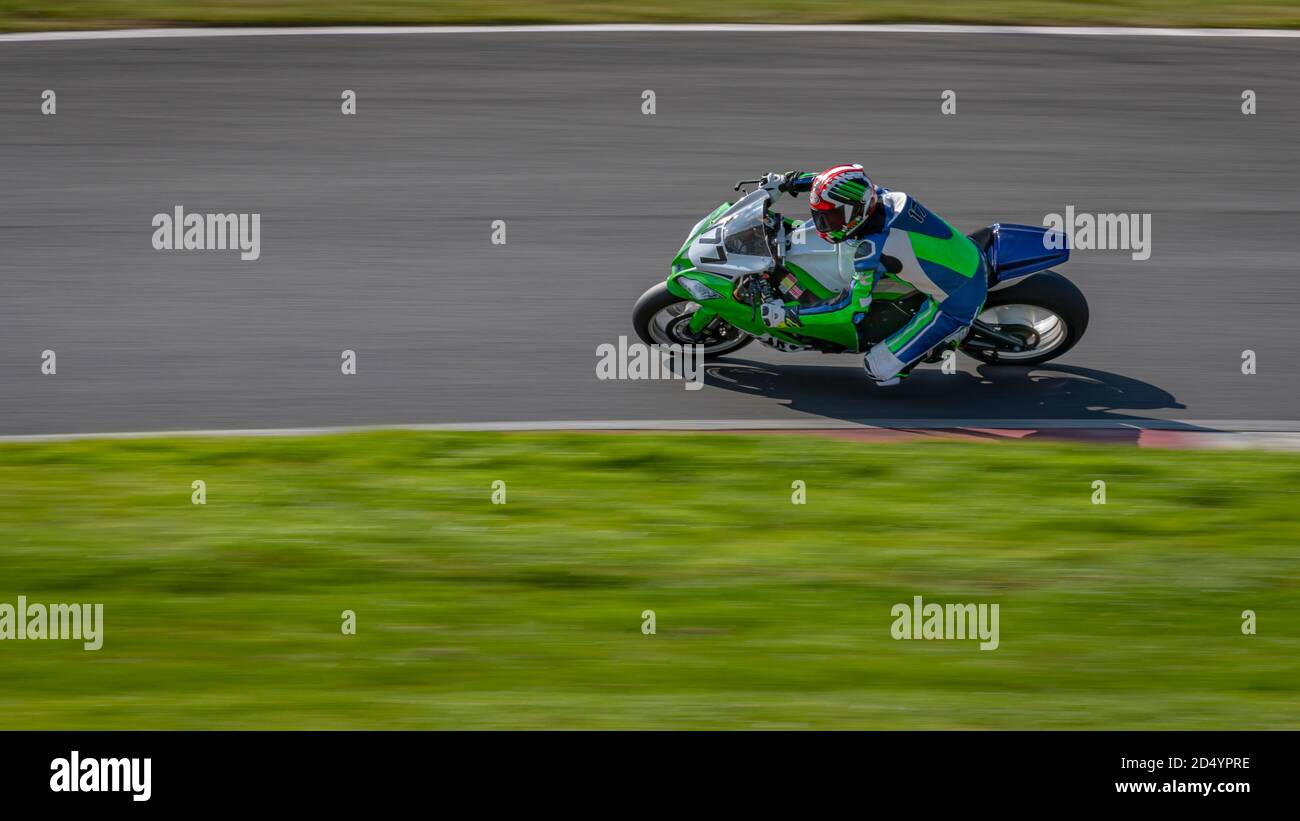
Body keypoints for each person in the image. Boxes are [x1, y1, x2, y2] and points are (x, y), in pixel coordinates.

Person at [758, 164, 987, 386]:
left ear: (856, 210)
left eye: (834, 217)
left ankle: (948, 337)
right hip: (963, 255)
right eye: (821, 216)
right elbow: (826, 183)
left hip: (957, 299)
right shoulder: (876, 195)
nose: (824, 224)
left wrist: (788, 316)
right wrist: (788, 181)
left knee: (878, 369)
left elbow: (849, 308)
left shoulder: (872, 248)